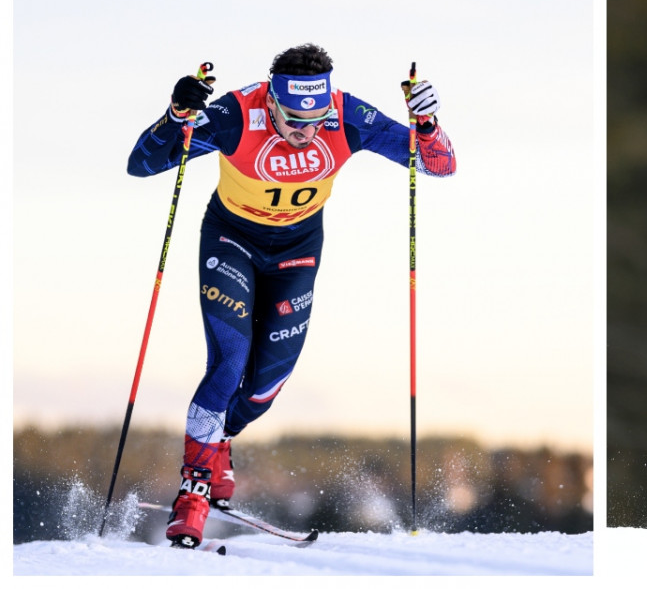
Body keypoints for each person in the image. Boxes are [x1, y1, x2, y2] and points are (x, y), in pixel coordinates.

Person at [127, 43, 456, 549]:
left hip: (297, 252)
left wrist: (428, 123)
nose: (306, 133)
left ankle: (220, 441)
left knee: (263, 388)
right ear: (272, 103)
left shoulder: (347, 117)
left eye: (316, 119)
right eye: (294, 119)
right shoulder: (237, 113)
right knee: (229, 362)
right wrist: (176, 116)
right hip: (232, 241)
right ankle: (193, 492)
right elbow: (142, 164)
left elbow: (437, 165)